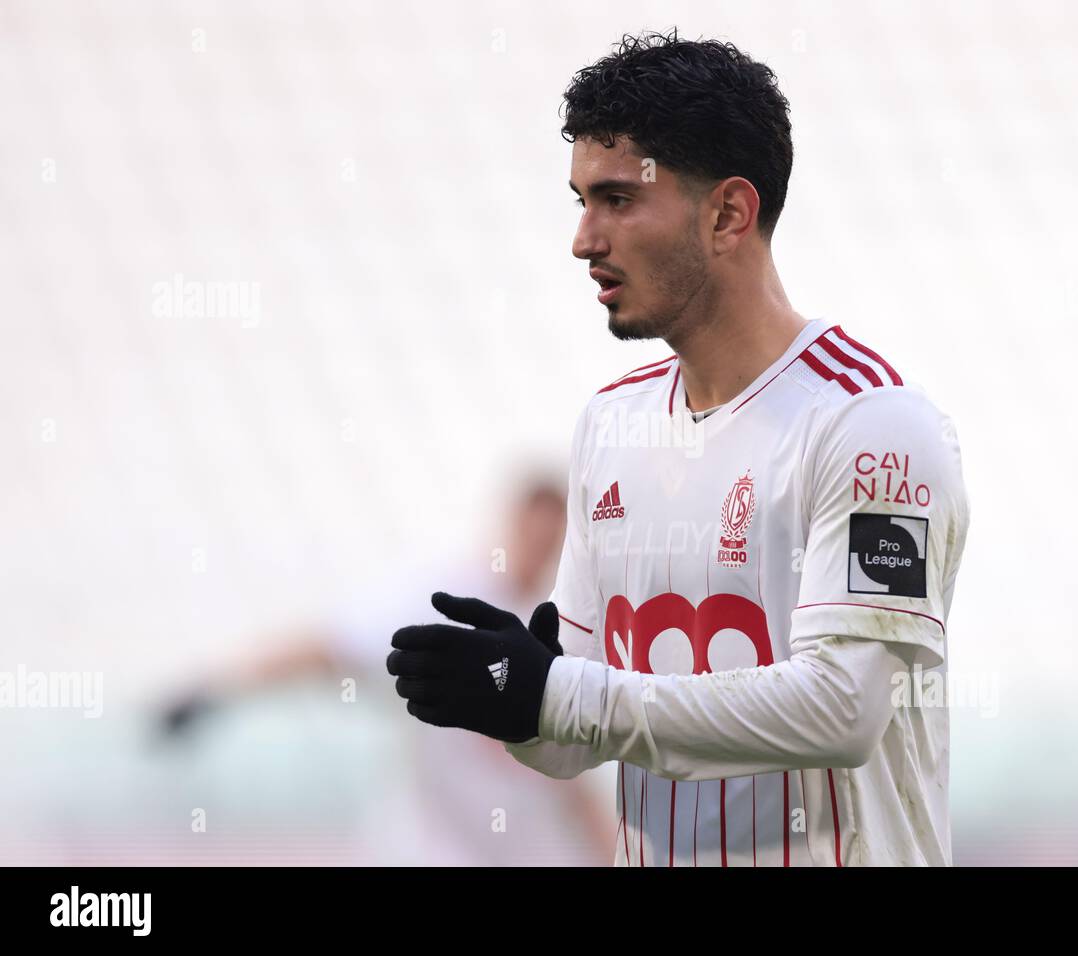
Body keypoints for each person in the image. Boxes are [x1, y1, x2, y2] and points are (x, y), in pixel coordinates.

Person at [388, 30, 972, 866]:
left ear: (728, 213)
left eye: (619, 200)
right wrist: (515, 704)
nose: (585, 239)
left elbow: (843, 710)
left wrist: (557, 694)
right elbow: (574, 738)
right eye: (581, 201)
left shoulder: (870, 425)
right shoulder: (610, 427)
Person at [164, 470, 615, 865]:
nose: (538, 548)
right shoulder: (447, 601)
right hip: (438, 848)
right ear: (511, 523)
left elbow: (569, 781)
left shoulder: (557, 629)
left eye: (551, 539)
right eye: (533, 532)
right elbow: (330, 647)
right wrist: (216, 687)